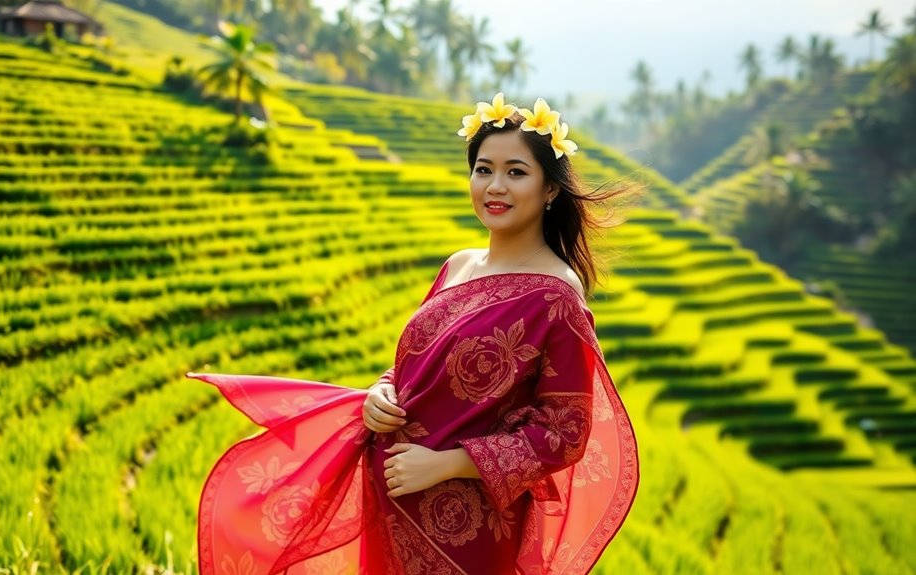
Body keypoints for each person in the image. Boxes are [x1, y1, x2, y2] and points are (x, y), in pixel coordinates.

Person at [185, 92, 640, 575]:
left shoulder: (557, 297)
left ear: (550, 189)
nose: (495, 187)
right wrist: (380, 391)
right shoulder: (458, 266)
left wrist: (447, 464)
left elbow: (565, 433)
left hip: (470, 524)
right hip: (392, 498)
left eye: (516, 172)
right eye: (483, 169)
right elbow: (417, 366)